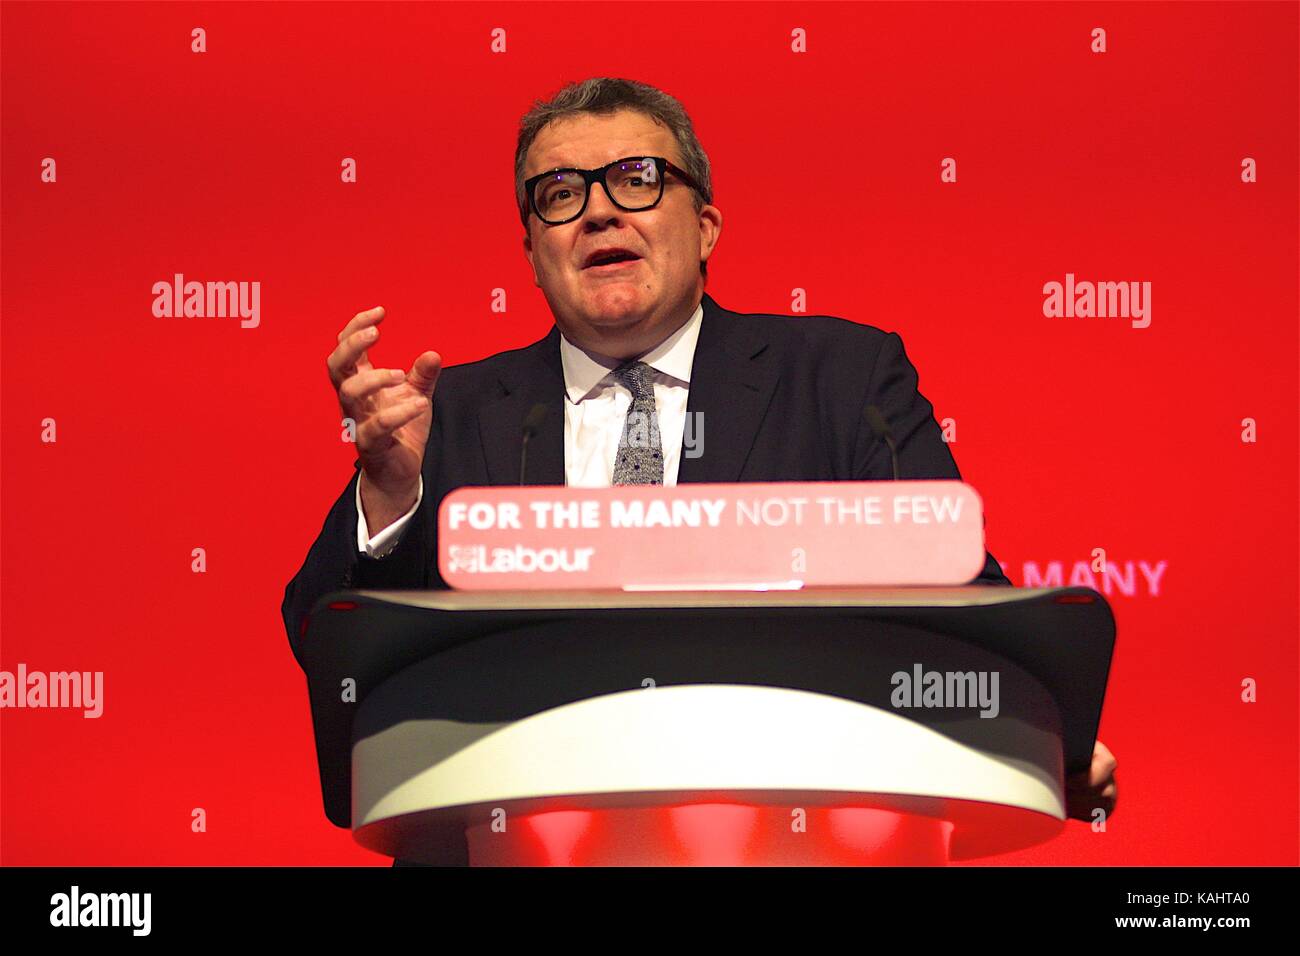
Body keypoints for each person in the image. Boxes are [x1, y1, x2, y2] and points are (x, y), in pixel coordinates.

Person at [281, 78, 1116, 860]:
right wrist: (390, 491)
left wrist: (1039, 728)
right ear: (532, 247)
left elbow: (960, 594)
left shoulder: (840, 376)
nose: (600, 212)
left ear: (707, 224)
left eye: (636, 179)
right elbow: (328, 643)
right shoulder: (453, 410)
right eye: (561, 194)